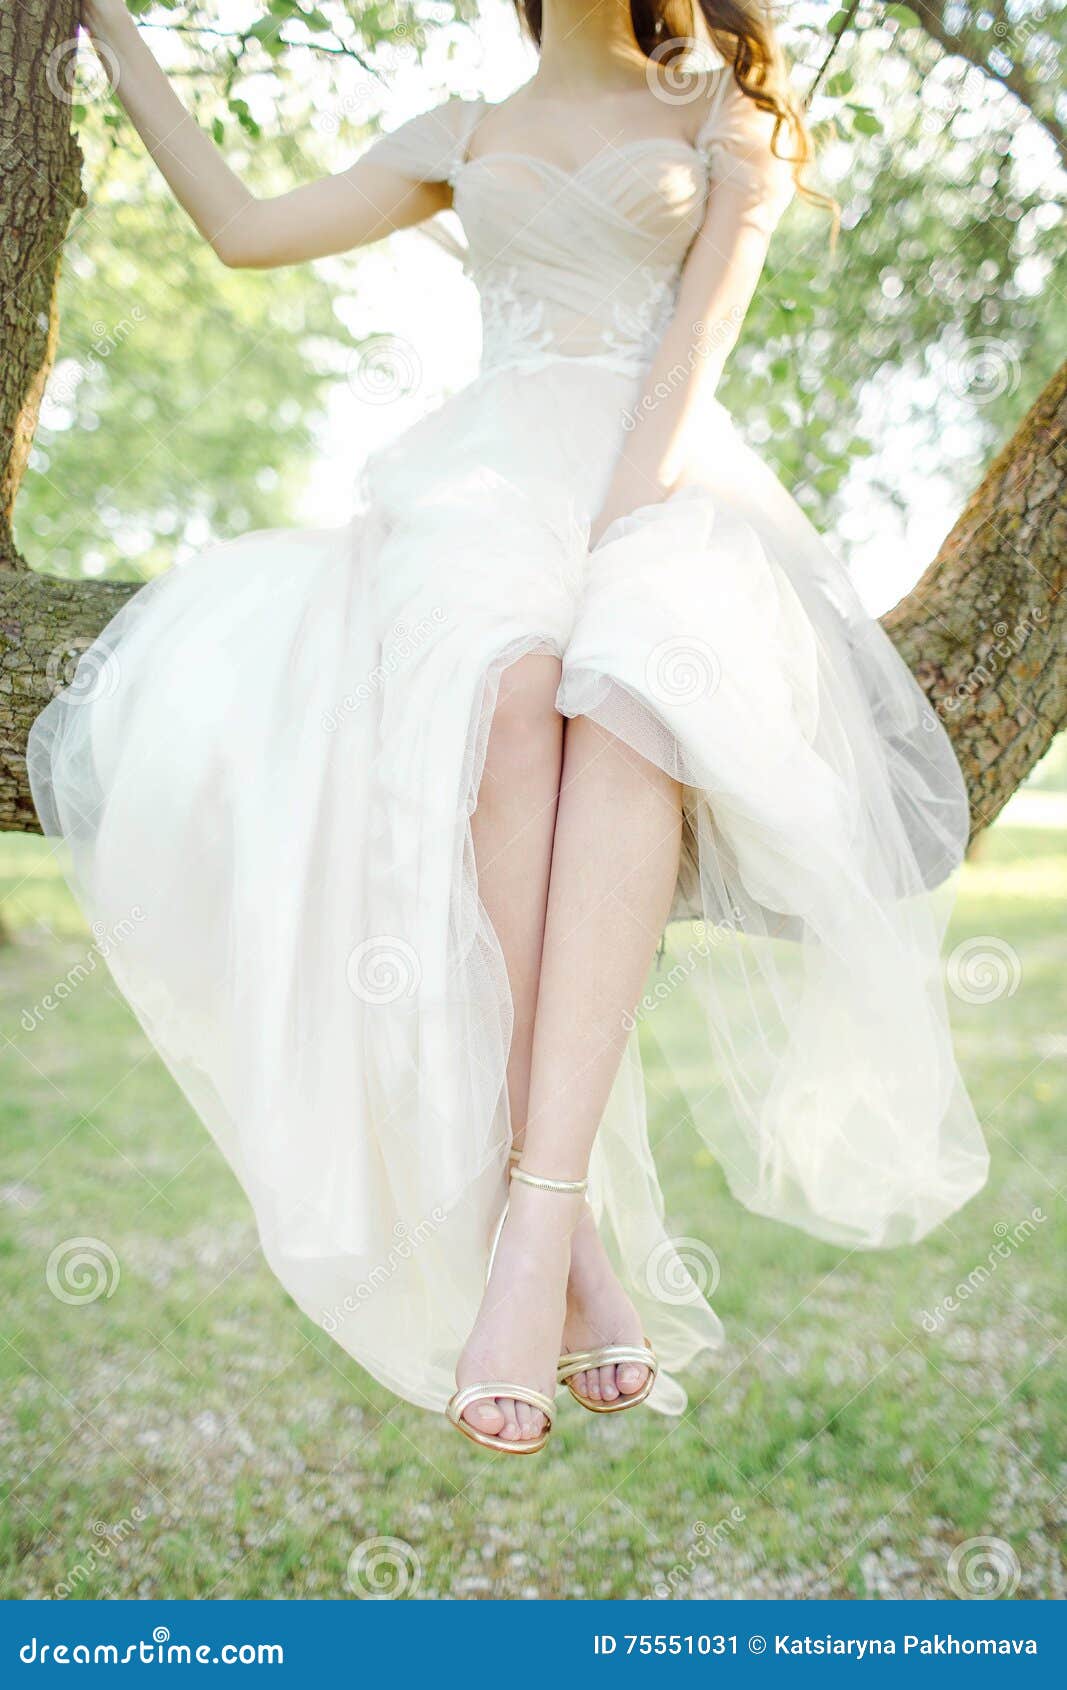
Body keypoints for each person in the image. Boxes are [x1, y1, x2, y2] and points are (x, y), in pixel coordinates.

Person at [30, 0, 989, 1454]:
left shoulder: (720, 113)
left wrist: (614, 549)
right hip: (479, 489)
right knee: (503, 693)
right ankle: (568, 1230)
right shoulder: (461, 134)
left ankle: (532, 1231)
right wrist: (106, 26)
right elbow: (240, 228)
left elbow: (699, 346)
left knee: (627, 684)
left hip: (662, 484)